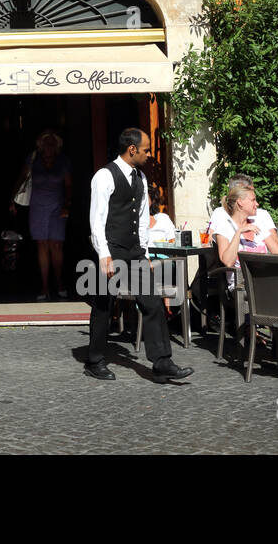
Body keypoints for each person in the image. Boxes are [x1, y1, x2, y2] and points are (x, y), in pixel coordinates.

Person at [83, 128, 192, 383]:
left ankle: (162, 362)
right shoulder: (104, 176)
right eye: (145, 150)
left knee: (152, 303)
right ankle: (95, 360)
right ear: (131, 149)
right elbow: (96, 220)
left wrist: (143, 253)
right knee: (103, 305)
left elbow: (142, 219)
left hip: (134, 252)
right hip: (110, 249)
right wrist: (104, 255)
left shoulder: (141, 177)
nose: (149, 155)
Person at [209, 177, 278, 370]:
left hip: (267, 280)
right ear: (240, 203)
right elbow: (227, 261)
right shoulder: (224, 226)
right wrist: (238, 233)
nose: (257, 204)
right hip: (242, 283)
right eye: (253, 200)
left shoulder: (258, 224)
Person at [14, 130, 73, 301]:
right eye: (46, 142)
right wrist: (12, 199)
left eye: (52, 143)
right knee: (42, 245)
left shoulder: (63, 161)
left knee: (56, 245)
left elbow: (69, 185)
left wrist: (67, 205)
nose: (49, 146)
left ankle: (60, 283)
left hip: (58, 207)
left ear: (57, 146)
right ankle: (45, 286)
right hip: (37, 207)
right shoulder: (33, 159)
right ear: (40, 145)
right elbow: (21, 178)